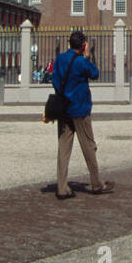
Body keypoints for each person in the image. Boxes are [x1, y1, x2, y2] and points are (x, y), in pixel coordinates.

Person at [52, 30, 114, 200]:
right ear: (83, 45)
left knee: (63, 149)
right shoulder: (81, 61)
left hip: (63, 109)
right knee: (89, 147)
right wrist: (87, 56)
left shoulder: (60, 59)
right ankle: (97, 184)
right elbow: (95, 73)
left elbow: (54, 80)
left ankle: (62, 187)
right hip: (80, 109)